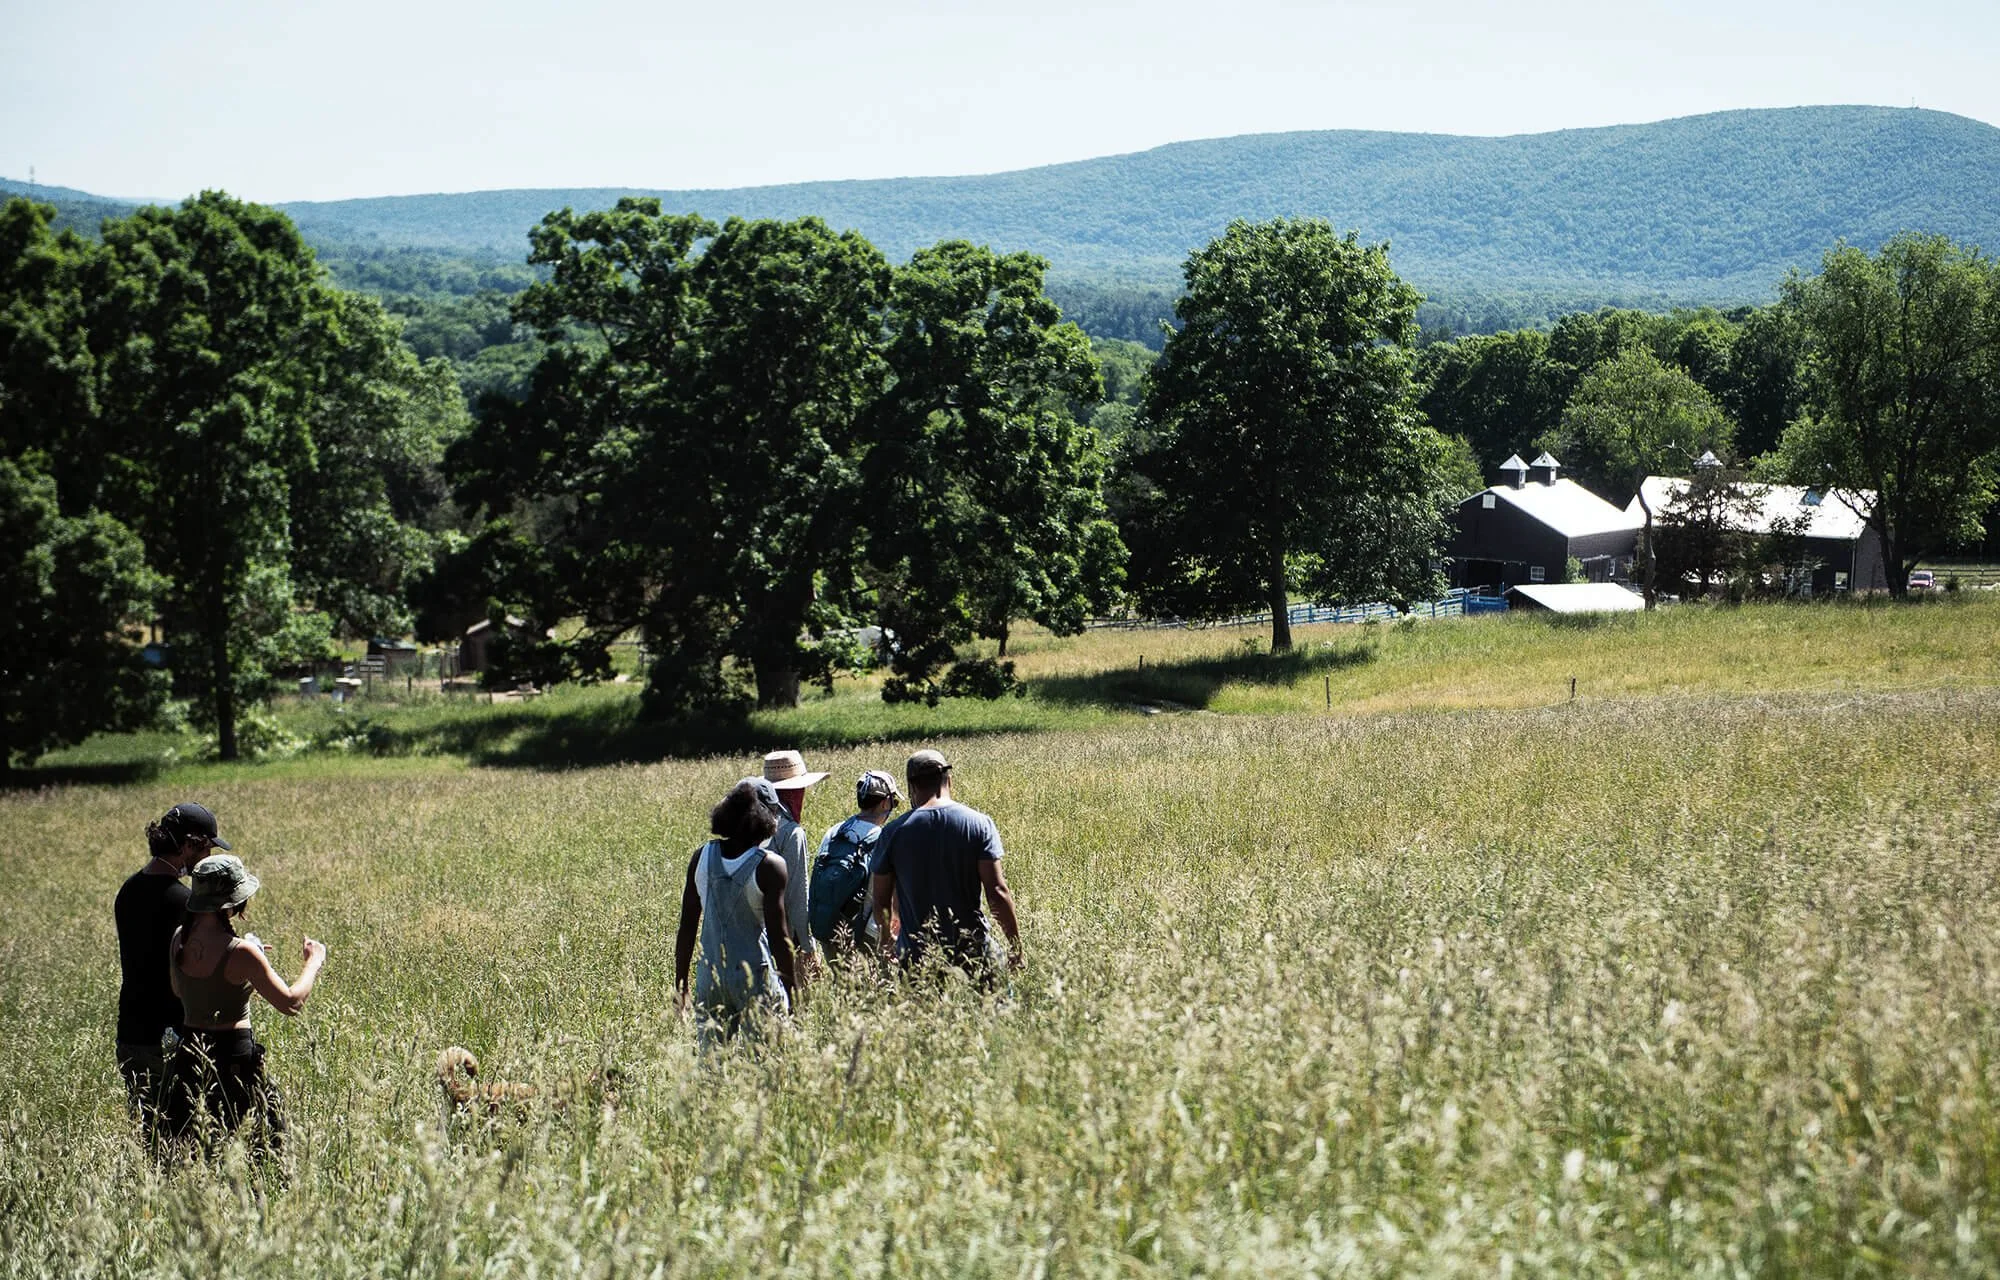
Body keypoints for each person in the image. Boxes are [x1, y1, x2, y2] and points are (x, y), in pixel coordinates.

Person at [166, 854, 327, 1153]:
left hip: (189, 1058)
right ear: (233, 901)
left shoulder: (179, 939)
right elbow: (291, 1003)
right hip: (235, 1061)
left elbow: (178, 990)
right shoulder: (241, 953)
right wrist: (314, 961)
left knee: (197, 1155)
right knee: (265, 1152)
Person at [114, 803, 227, 1130]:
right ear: (189, 845)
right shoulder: (184, 902)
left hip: (132, 1033)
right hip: (174, 1035)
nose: (207, 857)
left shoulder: (128, 891)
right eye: (206, 847)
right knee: (191, 1141)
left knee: (152, 1142)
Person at [870, 749, 1022, 983]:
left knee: (924, 1019)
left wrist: (886, 939)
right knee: (999, 1010)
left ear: (911, 786)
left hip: (917, 953)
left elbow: (880, 901)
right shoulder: (979, 824)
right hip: (973, 947)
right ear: (948, 779)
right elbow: (997, 893)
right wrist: (1014, 946)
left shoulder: (892, 833)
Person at [675, 780, 800, 1043]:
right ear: (765, 817)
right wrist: (792, 989)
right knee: (766, 1065)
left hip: (710, 979)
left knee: (712, 1068)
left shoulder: (702, 857)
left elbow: (687, 927)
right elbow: (779, 938)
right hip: (755, 978)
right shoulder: (770, 866)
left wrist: (682, 984)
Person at [808, 770, 902, 956]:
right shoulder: (885, 839)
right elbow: (891, 895)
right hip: (868, 935)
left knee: (840, 984)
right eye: (895, 803)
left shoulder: (834, 832)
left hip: (831, 929)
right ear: (885, 803)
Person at [758, 750, 829, 978]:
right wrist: (808, 948)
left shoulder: (747, 823)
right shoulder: (791, 832)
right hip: (782, 934)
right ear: (794, 791)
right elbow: (798, 894)